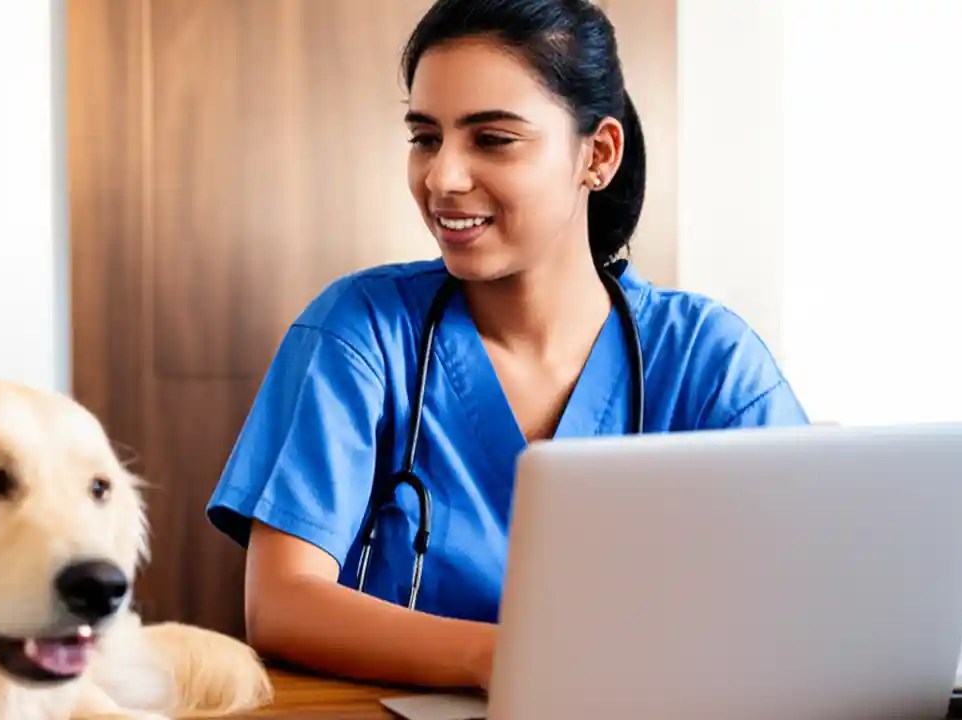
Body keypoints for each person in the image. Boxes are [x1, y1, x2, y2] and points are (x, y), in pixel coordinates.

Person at [204, 0, 809, 693]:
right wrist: (512, 661)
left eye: (492, 139)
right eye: (426, 137)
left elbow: (804, 598)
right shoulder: (361, 331)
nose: (442, 178)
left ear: (598, 154)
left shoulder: (708, 359)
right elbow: (282, 604)